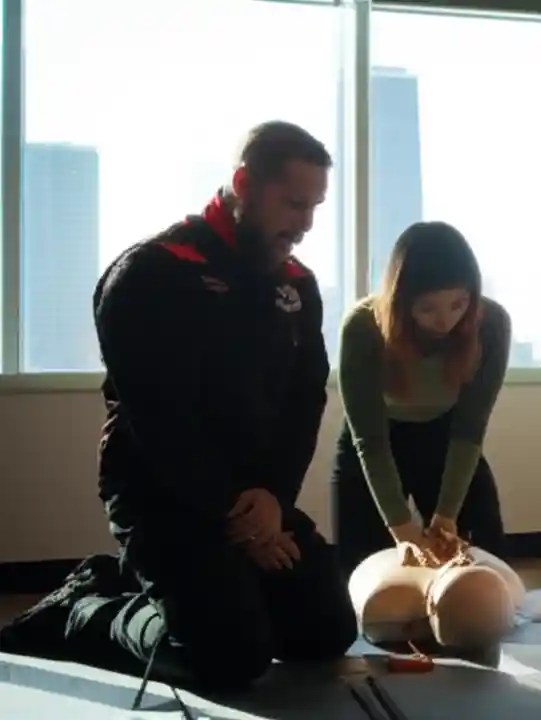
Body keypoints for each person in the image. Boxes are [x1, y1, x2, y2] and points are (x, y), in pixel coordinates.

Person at [0, 121, 357, 691]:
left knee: (325, 632)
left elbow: (304, 401)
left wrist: (271, 500)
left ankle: (184, 587)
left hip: (256, 499)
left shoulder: (297, 285)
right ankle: (84, 610)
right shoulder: (150, 275)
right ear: (243, 183)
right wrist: (242, 523)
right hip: (163, 496)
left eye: (314, 207)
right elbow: (162, 424)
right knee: (229, 658)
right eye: (293, 204)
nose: (305, 224)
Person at [331, 221, 511, 578]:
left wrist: (445, 518)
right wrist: (404, 532)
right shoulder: (363, 327)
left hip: (447, 437)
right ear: (400, 301)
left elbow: (470, 428)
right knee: (363, 574)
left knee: (484, 563)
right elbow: (370, 440)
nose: (445, 320)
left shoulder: (491, 323)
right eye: (427, 308)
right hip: (375, 440)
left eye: (458, 304)